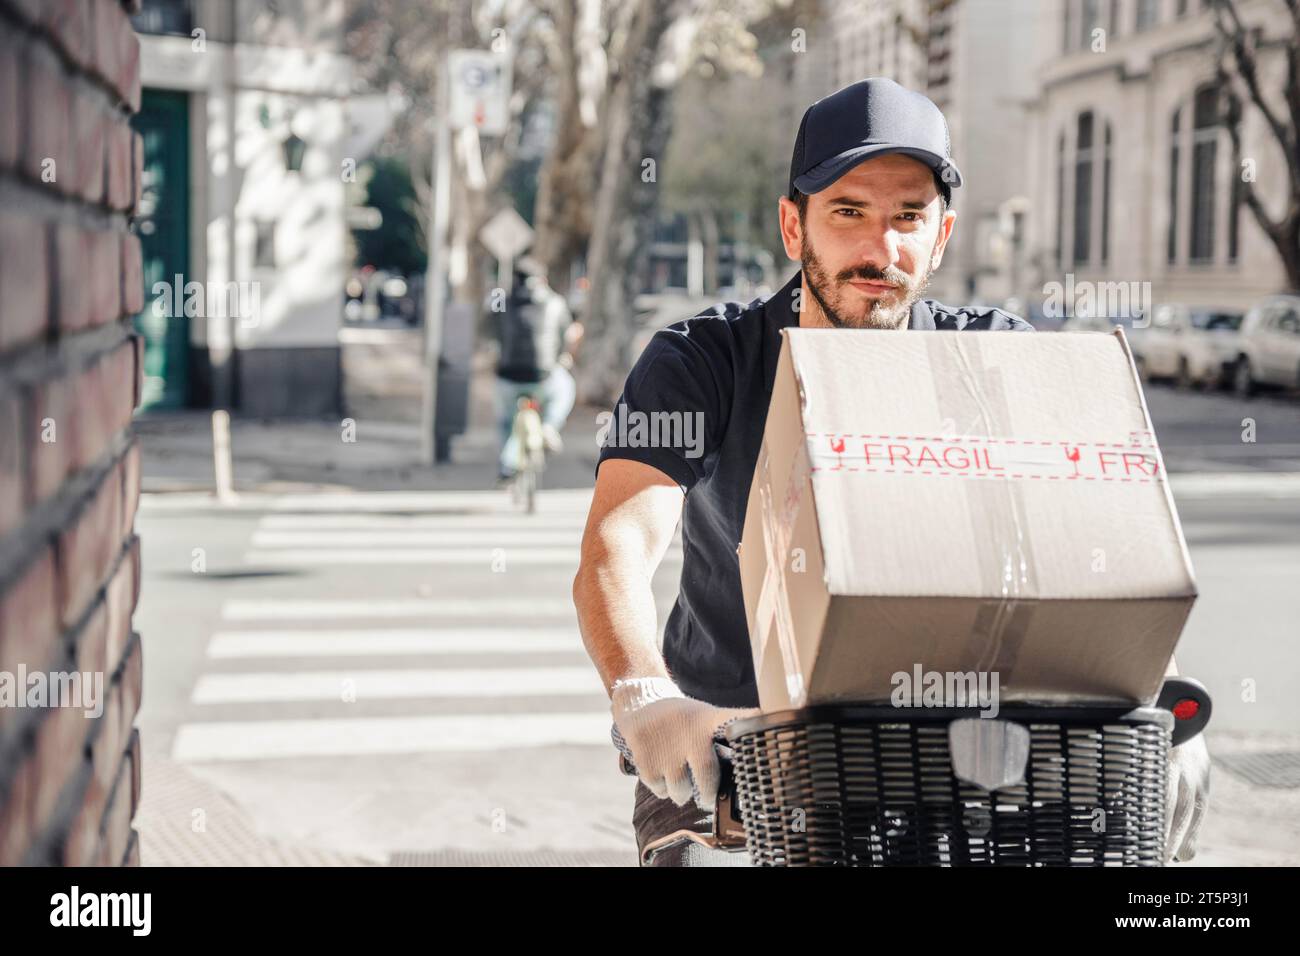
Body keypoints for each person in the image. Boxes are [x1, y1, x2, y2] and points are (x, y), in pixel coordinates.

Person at [572, 77, 1209, 866]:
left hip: (941, 757)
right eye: (848, 213)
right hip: (728, 756)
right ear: (793, 227)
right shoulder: (703, 362)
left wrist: (1162, 705)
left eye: (909, 216)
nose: (882, 249)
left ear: (941, 237)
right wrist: (646, 696)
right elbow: (618, 544)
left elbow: (1098, 542)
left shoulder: (995, 358)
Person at [490, 256, 580, 484]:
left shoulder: (502, 302)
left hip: (508, 375)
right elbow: (565, 336)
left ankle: (506, 463)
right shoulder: (556, 303)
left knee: (505, 420)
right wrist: (561, 357)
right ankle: (550, 426)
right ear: (542, 279)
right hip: (544, 376)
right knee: (566, 387)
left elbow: (491, 332)